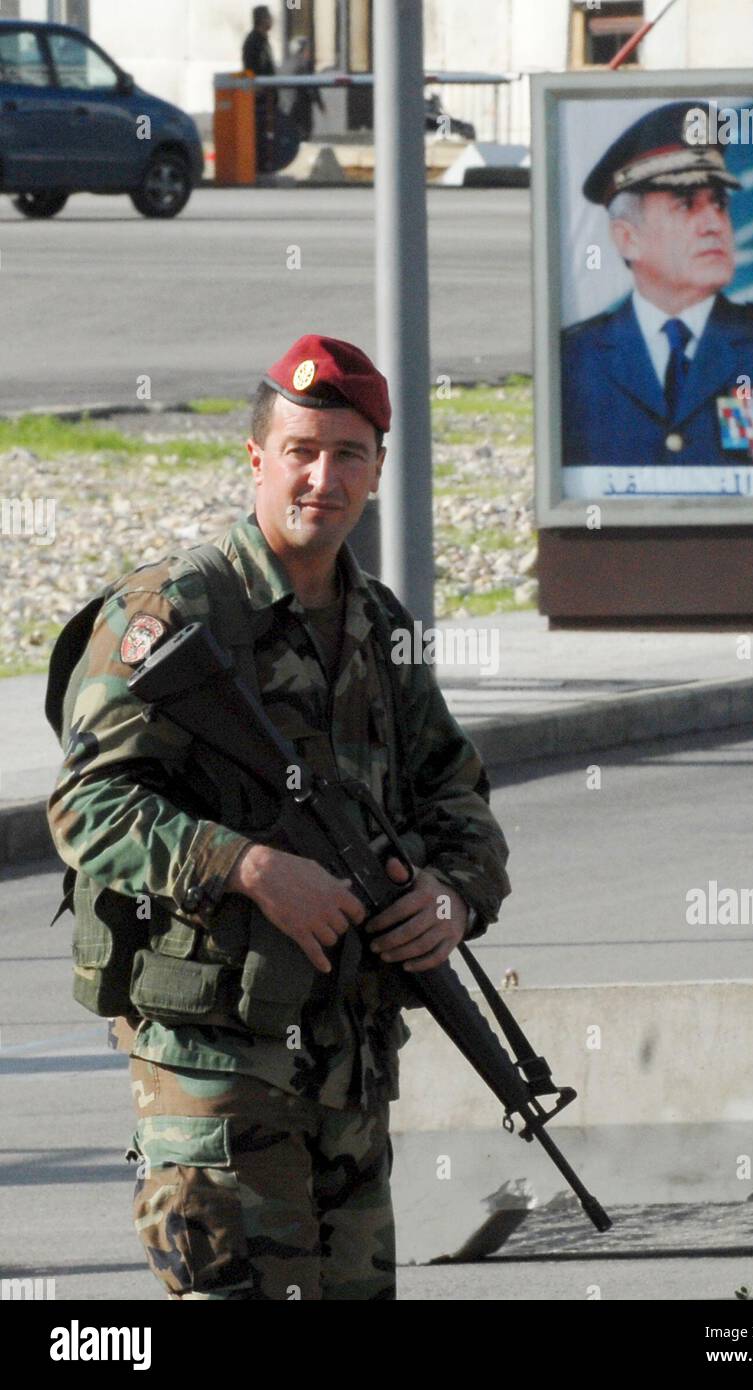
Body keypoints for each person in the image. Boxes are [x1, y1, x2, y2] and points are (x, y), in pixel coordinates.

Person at [46, 333, 512, 1300]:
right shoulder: (172, 615)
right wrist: (250, 867)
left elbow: (455, 790)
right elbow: (85, 802)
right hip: (212, 1068)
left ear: (378, 468)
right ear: (257, 458)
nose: (321, 477)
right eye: (300, 450)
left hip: (347, 1078)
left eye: (348, 453)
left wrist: (449, 897)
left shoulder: (379, 626)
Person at [561, 100, 753, 471]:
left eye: (719, 204)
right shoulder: (575, 359)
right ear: (628, 238)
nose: (714, 223)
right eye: (686, 205)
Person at [242, 5, 276, 173]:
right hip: (259, 95)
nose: (272, 20)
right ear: (261, 20)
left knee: (266, 131)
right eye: (269, 17)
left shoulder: (264, 40)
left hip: (268, 93)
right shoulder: (253, 42)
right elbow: (253, 68)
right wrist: (259, 88)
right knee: (260, 131)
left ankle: (266, 164)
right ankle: (260, 167)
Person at [282, 36, 325, 144]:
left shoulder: (287, 63)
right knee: (304, 133)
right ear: (303, 49)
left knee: (292, 132)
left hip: (288, 105)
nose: (309, 51)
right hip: (303, 105)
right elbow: (312, 85)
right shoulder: (305, 63)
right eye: (307, 48)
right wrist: (320, 104)